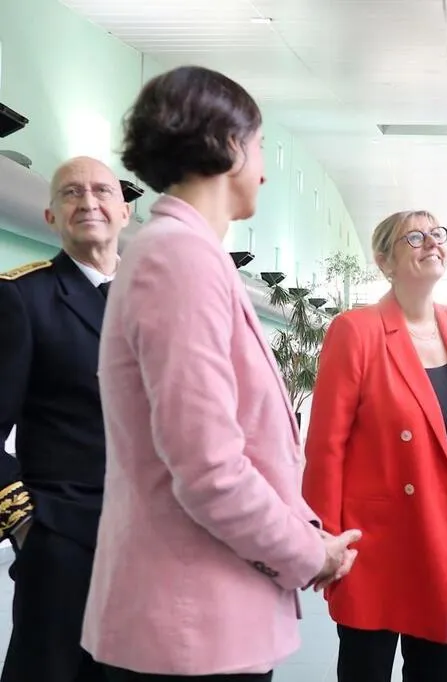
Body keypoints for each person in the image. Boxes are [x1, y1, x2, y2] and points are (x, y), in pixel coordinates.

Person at [80, 65, 361, 682]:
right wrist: (307, 552)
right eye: (260, 147)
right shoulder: (179, 259)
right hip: (188, 627)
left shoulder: (186, 253)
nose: (264, 169)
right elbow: (209, 468)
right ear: (229, 144)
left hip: (205, 618)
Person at [303, 211, 447, 682]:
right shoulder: (356, 331)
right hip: (376, 541)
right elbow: (326, 446)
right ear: (383, 261)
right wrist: (321, 537)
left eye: (437, 233)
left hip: (446, 531)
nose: (430, 242)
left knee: (434, 670)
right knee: (365, 669)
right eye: (414, 236)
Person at [0, 156, 131, 682]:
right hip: (65, 544)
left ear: (124, 210)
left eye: (101, 191)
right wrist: (27, 525)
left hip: (156, 546)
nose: (88, 201)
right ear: (52, 216)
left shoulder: (159, 302)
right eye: (71, 193)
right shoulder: (20, 297)